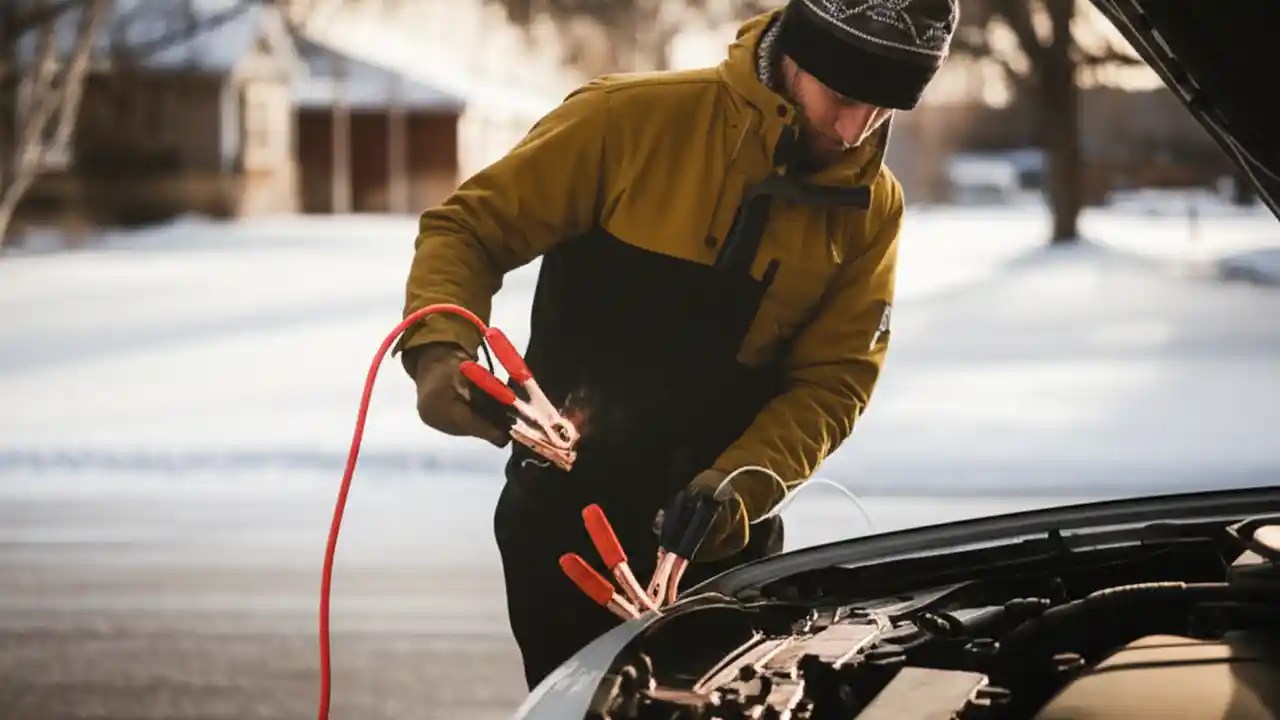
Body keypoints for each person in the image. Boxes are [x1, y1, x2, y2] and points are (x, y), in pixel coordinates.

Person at [397, 0, 958, 690]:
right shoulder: (627, 122)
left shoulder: (872, 208)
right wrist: (439, 353)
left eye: (881, 107)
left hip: (724, 549)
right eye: (842, 96)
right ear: (797, 52)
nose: (854, 129)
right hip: (565, 532)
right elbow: (469, 230)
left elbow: (834, 378)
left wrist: (740, 486)